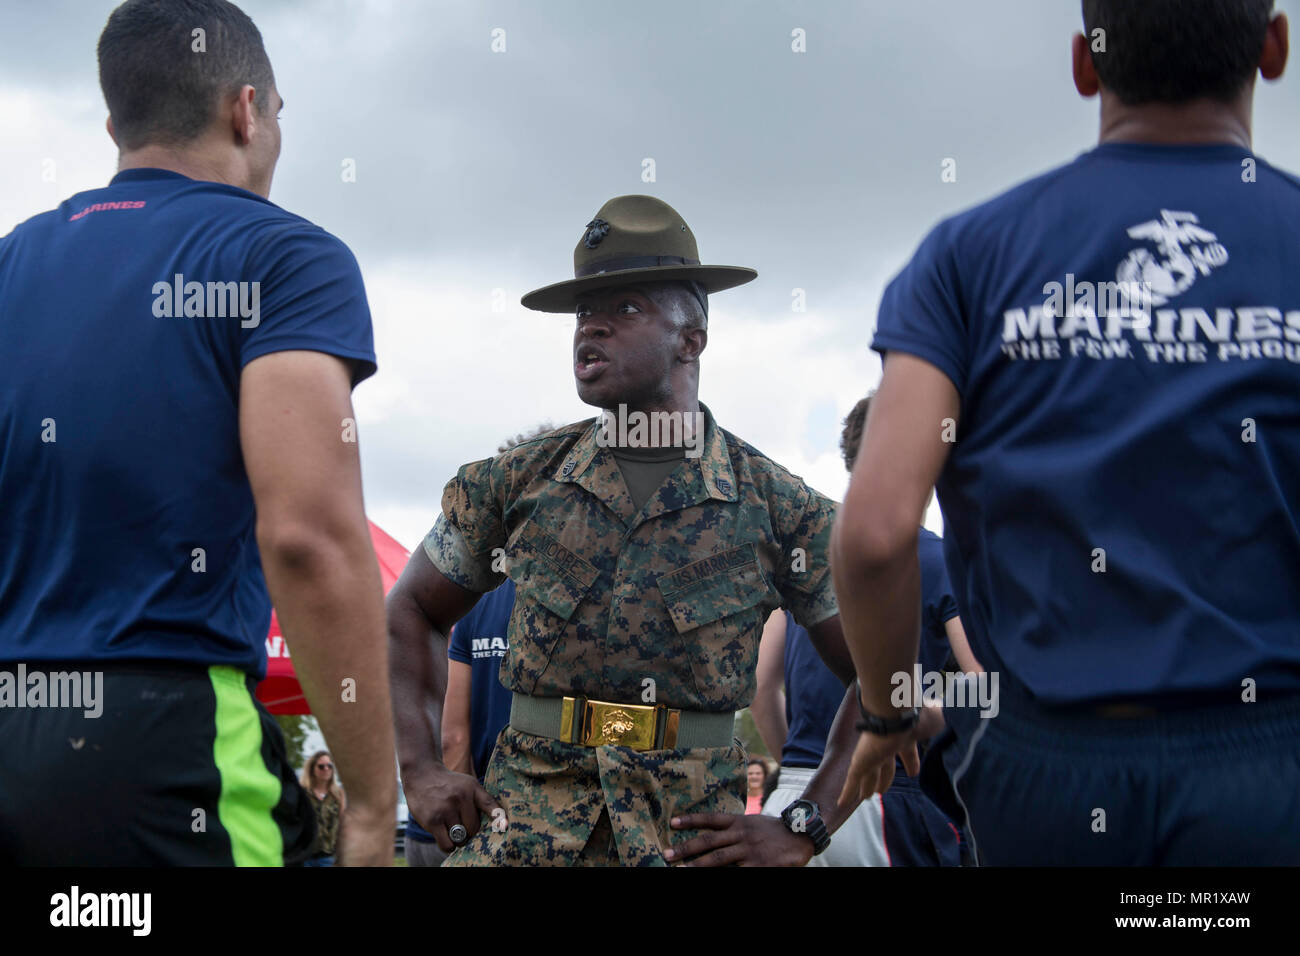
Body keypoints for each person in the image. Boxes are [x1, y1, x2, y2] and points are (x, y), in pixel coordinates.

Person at [833, 0, 1300, 865]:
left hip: (1048, 777)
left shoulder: (968, 256)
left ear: (1087, 63)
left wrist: (889, 711)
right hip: (1270, 768)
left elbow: (872, 536)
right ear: (1273, 50)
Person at [0, 0, 394, 865]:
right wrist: (370, 806)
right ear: (246, 110)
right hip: (165, 743)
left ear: (116, 122)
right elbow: (307, 537)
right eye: (279, 114)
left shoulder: (9, 262)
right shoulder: (285, 257)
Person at [389, 195, 864, 866]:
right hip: (522, 839)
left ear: (690, 339)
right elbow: (409, 609)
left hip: (688, 844)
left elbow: (884, 677)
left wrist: (806, 825)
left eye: (626, 308)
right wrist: (420, 768)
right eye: (585, 312)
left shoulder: (781, 508)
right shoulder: (514, 483)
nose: (594, 328)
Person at [751, 397, 970, 866]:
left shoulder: (803, 558)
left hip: (791, 802)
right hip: (887, 797)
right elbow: (985, 687)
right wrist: (919, 716)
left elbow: (761, 684)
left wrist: (804, 767)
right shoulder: (944, 559)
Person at [301, 752, 345, 866]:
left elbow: (342, 824)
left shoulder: (338, 794)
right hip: (304, 856)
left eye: (329, 766)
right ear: (312, 769)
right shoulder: (302, 792)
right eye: (321, 766)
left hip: (328, 857)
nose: (326, 769)